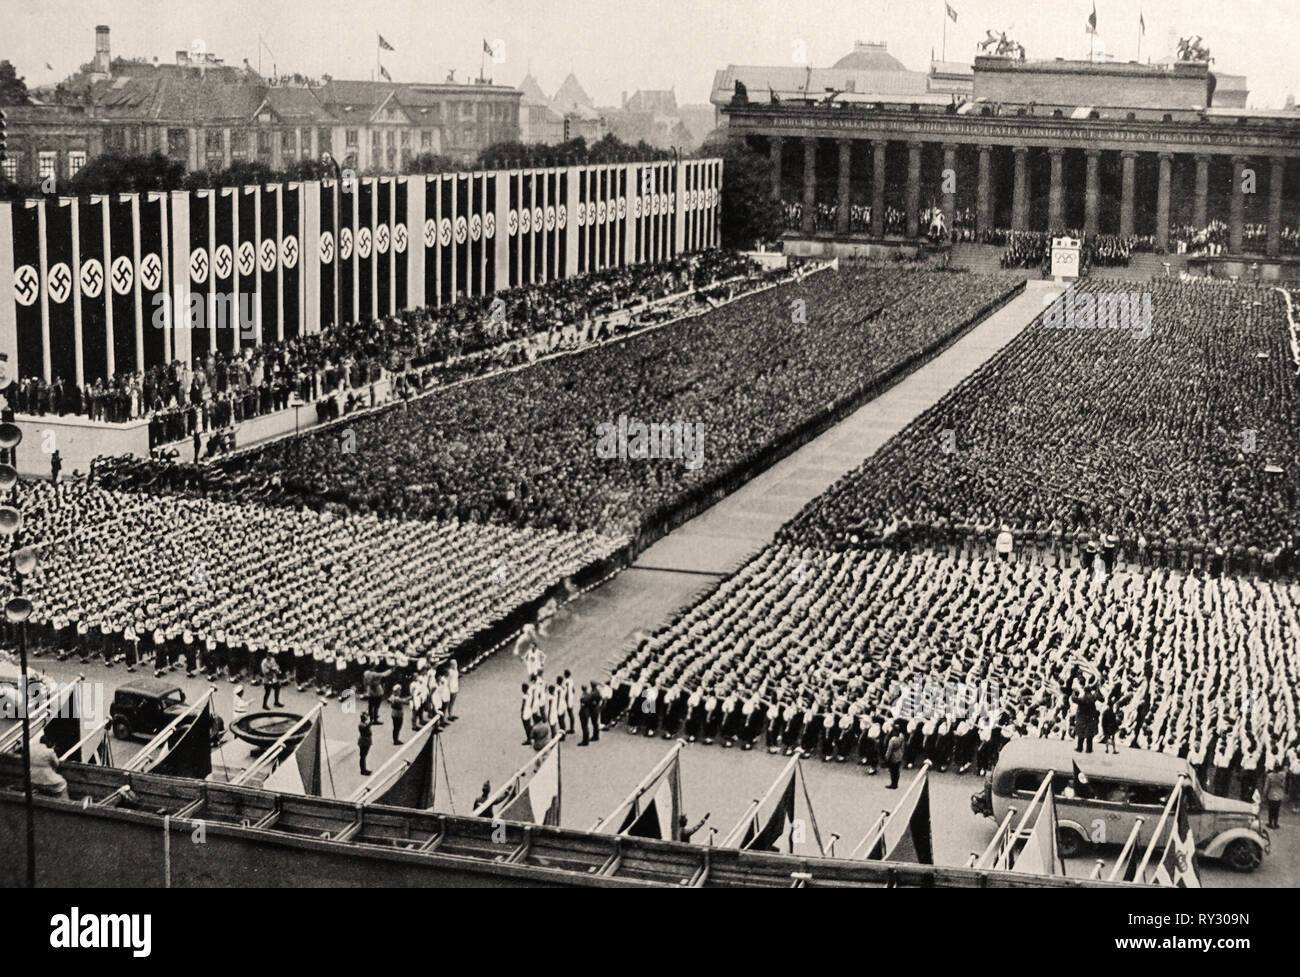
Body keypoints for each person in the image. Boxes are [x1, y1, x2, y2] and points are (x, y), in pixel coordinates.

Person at [30, 732, 69, 800]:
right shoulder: (49, 752)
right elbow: (56, 764)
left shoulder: (31, 749)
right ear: (50, 743)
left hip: (32, 777)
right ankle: (65, 802)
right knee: (62, 783)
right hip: (45, 778)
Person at [1072, 679, 1102, 754]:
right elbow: (1096, 695)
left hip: (1082, 718)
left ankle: (1080, 748)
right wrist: (1098, 687)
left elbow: (1074, 699)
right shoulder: (1092, 699)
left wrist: (1074, 693)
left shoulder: (1082, 699)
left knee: (1081, 734)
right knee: (1089, 736)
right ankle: (1089, 749)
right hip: (1090, 719)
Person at [1264, 764, 1286, 829]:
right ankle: (1275, 823)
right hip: (1279, 794)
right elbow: (1283, 785)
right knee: (1277, 809)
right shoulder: (1282, 776)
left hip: (1271, 793)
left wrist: (1264, 794)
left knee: (1271, 809)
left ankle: (1270, 823)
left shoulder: (1269, 776)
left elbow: (1266, 786)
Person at [884, 724, 905, 789]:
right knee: (897, 771)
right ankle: (896, 783)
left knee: (892, 771)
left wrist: (886, 757)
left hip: (893, 756)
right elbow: (903, 747)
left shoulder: (892, 740)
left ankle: (893, 784)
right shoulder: (901, 737)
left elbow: (889, 750)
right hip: (899, 754)